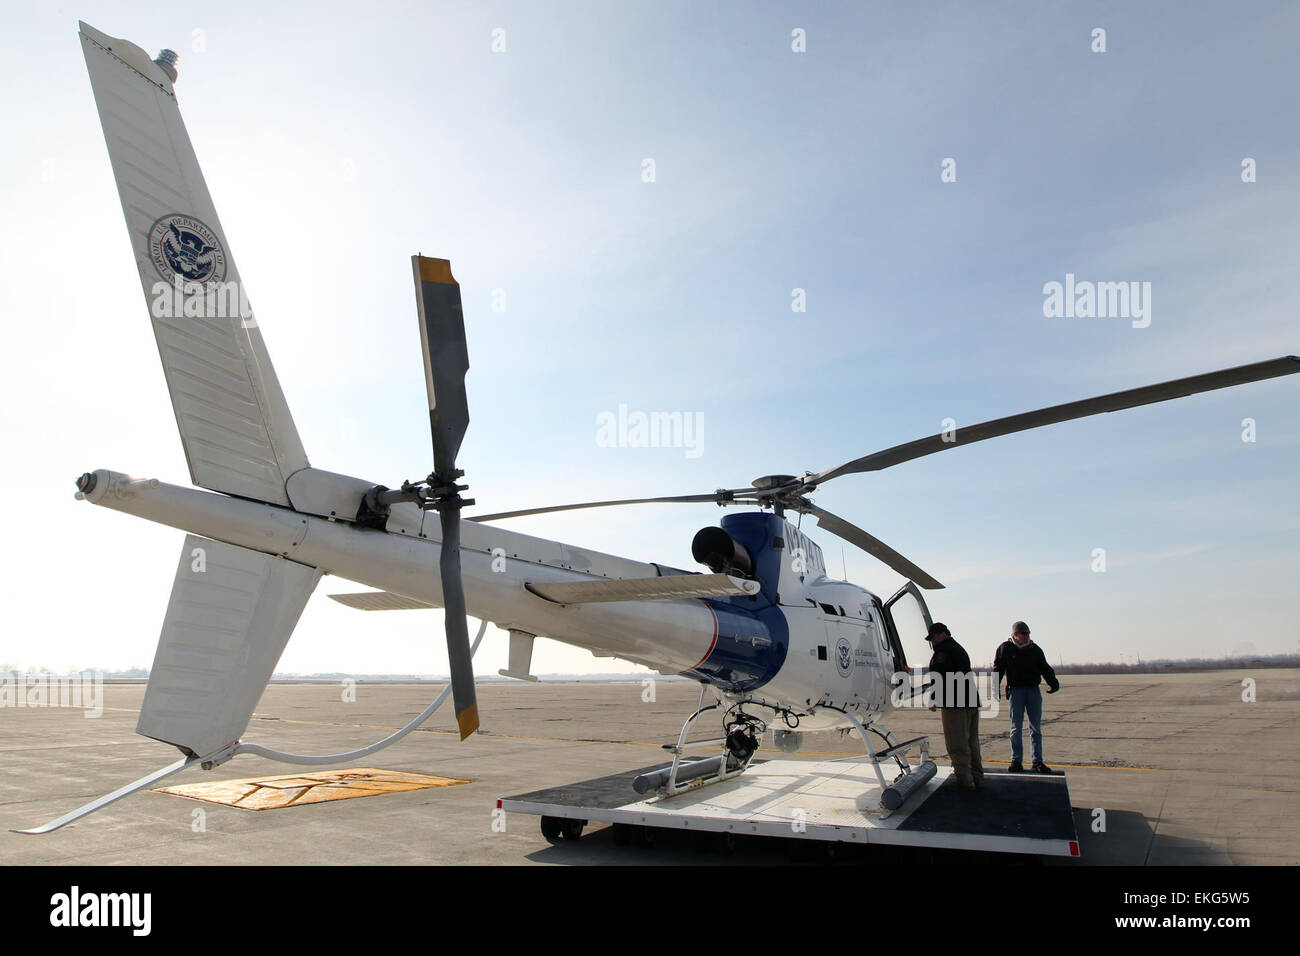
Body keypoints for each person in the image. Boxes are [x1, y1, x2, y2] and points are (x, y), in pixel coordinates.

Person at [993, 621, 1060, 774]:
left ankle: (1037, 761)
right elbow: (998, 669)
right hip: (1015, 691)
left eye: (1028, 633)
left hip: (1033, 691)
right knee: (1016, 727)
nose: (1027, 636)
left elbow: (1044, 667)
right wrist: (995, 688)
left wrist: (1053, 683)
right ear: (1015, 635)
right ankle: (1016, 760)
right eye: (1024, 633)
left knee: (1035, 727)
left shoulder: (1034, 649)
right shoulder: (1006, 648)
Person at [925, 622, 984, 791]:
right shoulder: (958, 648)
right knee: (972, 741)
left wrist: (935, 698)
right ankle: (977, 777)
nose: (933, 642)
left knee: (957, 743)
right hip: (970, 700)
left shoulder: (944, 652)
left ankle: (965, 781)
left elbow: (940, 677)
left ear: (941, 634)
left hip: (954, 703)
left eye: (933, 637)